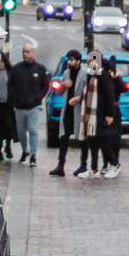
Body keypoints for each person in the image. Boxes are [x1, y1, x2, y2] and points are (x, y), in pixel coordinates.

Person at [70, 50, 117, 179]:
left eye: (91, 61)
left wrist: (109, 114)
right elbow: (87, 93)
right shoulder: (91, 75)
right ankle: (94, 169)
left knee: (103, 141)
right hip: (90, 114)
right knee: (93, 142)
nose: (89, 63)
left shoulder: (103, 74)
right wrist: (79, 99)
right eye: (88, 61)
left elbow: (109, 95)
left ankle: (115, 164)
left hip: (100, 114)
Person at [8, 43, 49, 166]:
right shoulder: (16, 69)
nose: (25, 54)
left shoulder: (40, 69)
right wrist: (15, 99)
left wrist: (38, 98)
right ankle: (25, 150)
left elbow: (46, 86)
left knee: (33, 129)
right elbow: (11, 86)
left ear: (33, 53)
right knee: (21, 131)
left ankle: (33, 155)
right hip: (20, 107)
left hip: (34, 107)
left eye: (27, 51)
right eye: (23, 51)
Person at [49, 49, 83, 177]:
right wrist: (64, 84)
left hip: (79, 111)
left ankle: (83, 165)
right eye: (68, 59)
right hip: (67, 111)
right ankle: (60, 165)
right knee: (63, 138)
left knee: (82, 139)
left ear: (78, 61)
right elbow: (59, 92)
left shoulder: (84, 74)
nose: (69, 62)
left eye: (72, 60)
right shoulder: (66, 72)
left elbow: (88, 93)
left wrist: (79, 98)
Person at [98, 56, 122, 178]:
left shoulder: (113, 79)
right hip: (103, 110)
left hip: (114, 111)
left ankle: (115, 163)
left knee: (114, 139)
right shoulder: (101, 78)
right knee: (104, 139)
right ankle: (106, 163)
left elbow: (123, 89)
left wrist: (116, 79)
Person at [0, 51, 17, 163]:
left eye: (2, 61)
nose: (0, 64)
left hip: (8, 105)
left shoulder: (10, 73)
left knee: (8, 127)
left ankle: (8, 146)